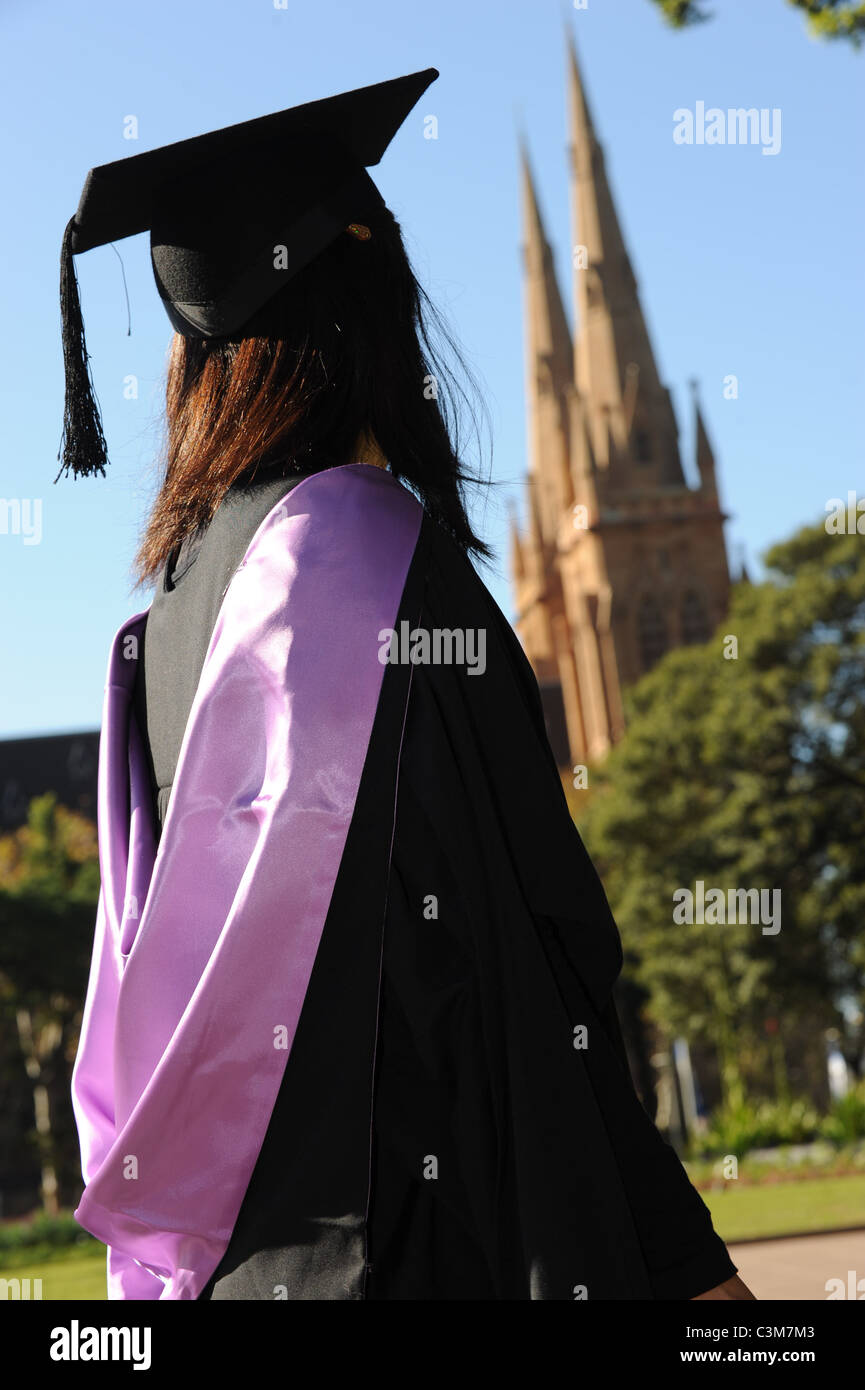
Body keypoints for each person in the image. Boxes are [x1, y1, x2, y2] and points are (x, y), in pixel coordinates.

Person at [62, 69, 754, 1302]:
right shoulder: (386, 579)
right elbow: (543, 976)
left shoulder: (154, 641)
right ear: (364, 311)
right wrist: (694, 1278)